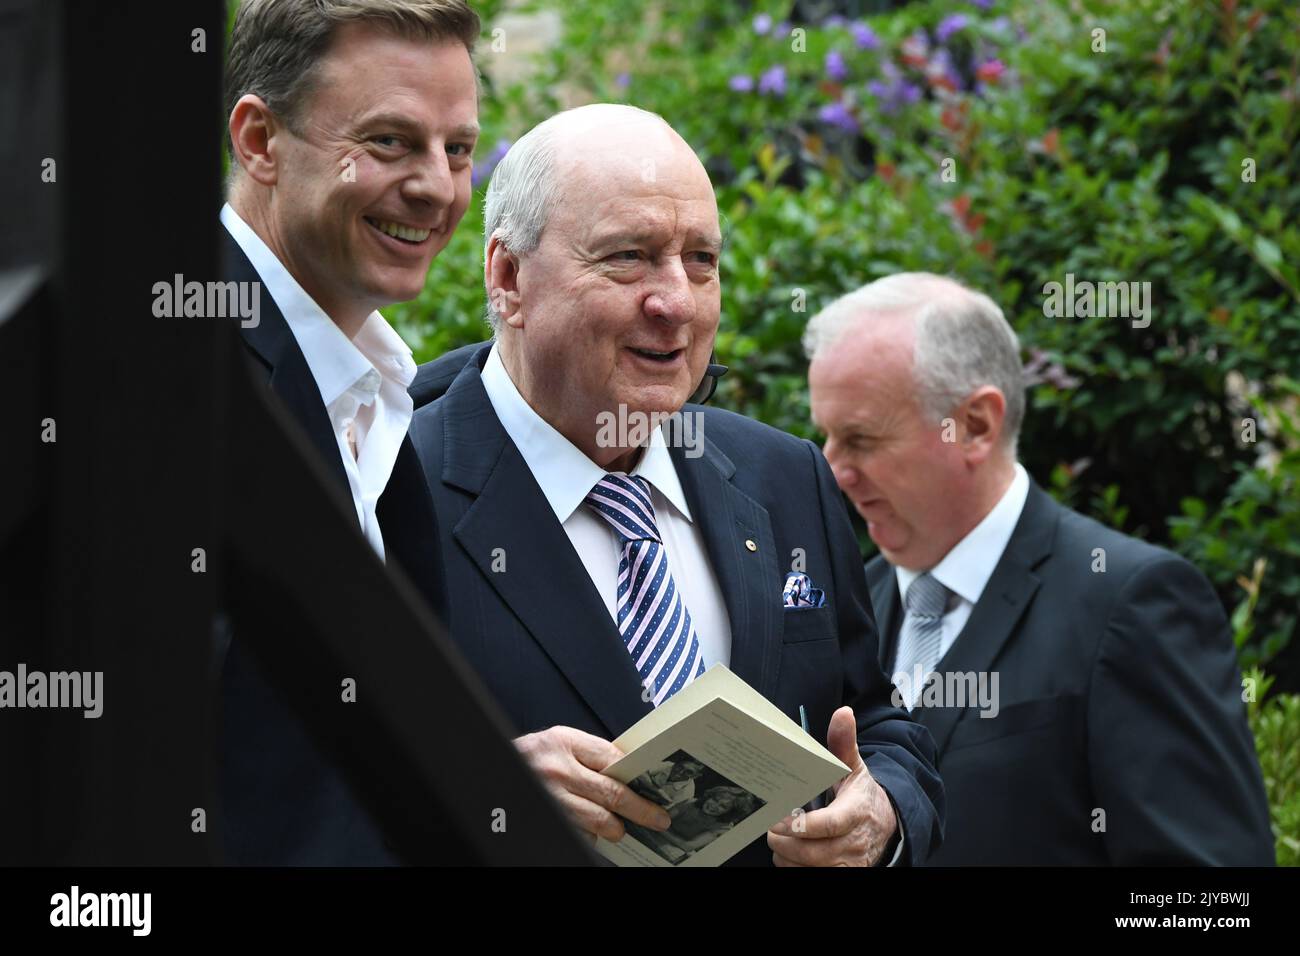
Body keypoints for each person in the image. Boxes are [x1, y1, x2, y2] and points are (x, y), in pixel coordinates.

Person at [407, 104, 944, 867]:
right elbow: (288, 781)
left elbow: (878, 720)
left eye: (701, 260)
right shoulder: (384, 489)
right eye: (628, 256)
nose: (678, 302)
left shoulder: (784, 477)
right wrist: (480, 786)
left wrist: (880, 811)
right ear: (508, 278)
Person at [804, 272, 1275, 865]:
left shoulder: (1132, 604)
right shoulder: (847, 606)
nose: (830, 470)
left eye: (861, 438)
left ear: (975, 425)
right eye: (825, 436)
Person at [215, 0, 481, 864]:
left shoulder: (378, 390)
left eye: (458, 149)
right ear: (259, 142)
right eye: (391, 142)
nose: (438, 187)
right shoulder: (175, 376)